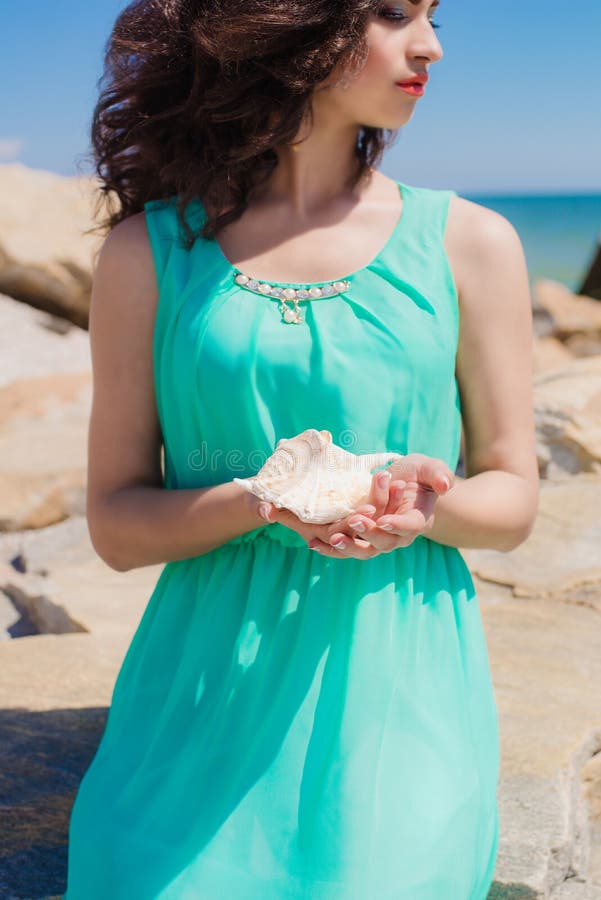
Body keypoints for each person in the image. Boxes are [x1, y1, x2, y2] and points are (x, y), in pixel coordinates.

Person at [63, 0, 540, 897]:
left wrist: (422, 509)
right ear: (283, 22)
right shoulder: (149, 252)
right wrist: (261, 501)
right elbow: (118, 527)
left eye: (436, 16)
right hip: (197, 700)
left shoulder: (469, 242)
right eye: (394, 12)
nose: (430, 45)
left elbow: (512, 499)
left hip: (396, 701)